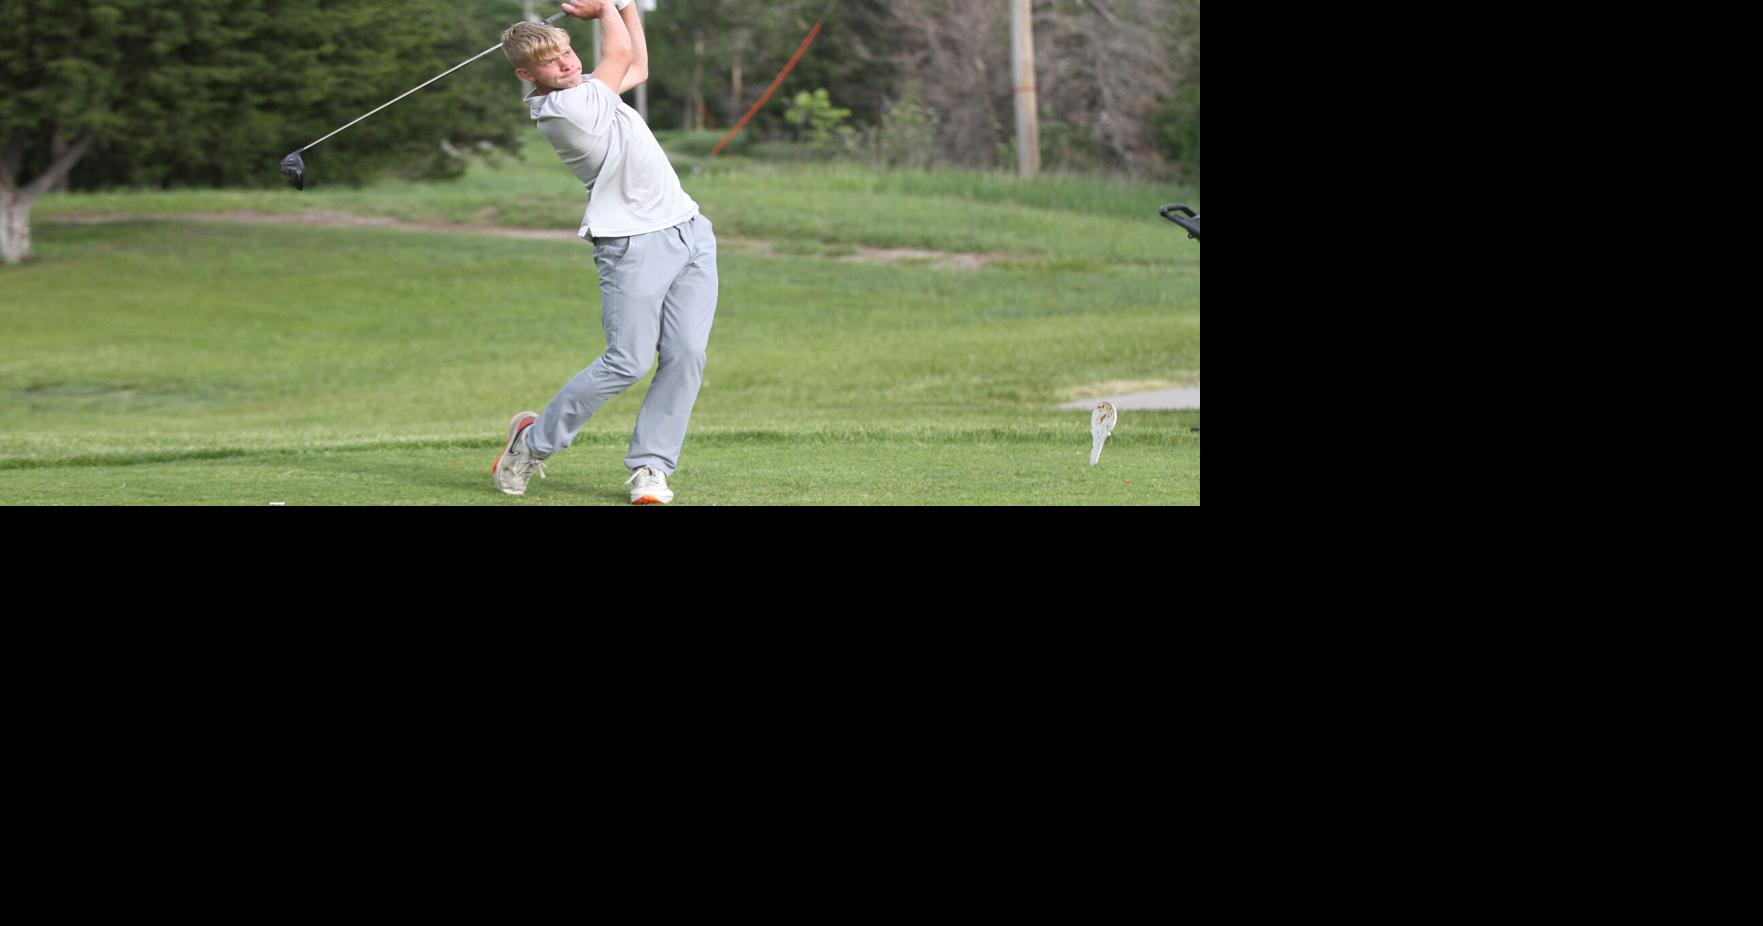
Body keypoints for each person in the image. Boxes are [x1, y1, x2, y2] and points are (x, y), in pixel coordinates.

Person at [492, 0, 718, 504]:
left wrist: (627, 6)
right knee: (627, 361)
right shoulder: (566, 109)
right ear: (527, 74)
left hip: (689, 231)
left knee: (686, 354)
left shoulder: (589, 90)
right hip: (631, 244)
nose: (568, 63)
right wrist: (603, 12)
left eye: (568, 51)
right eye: (552, 62)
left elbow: (636, 64)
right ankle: (532, 443)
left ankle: (651, 467)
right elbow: (617, 51)